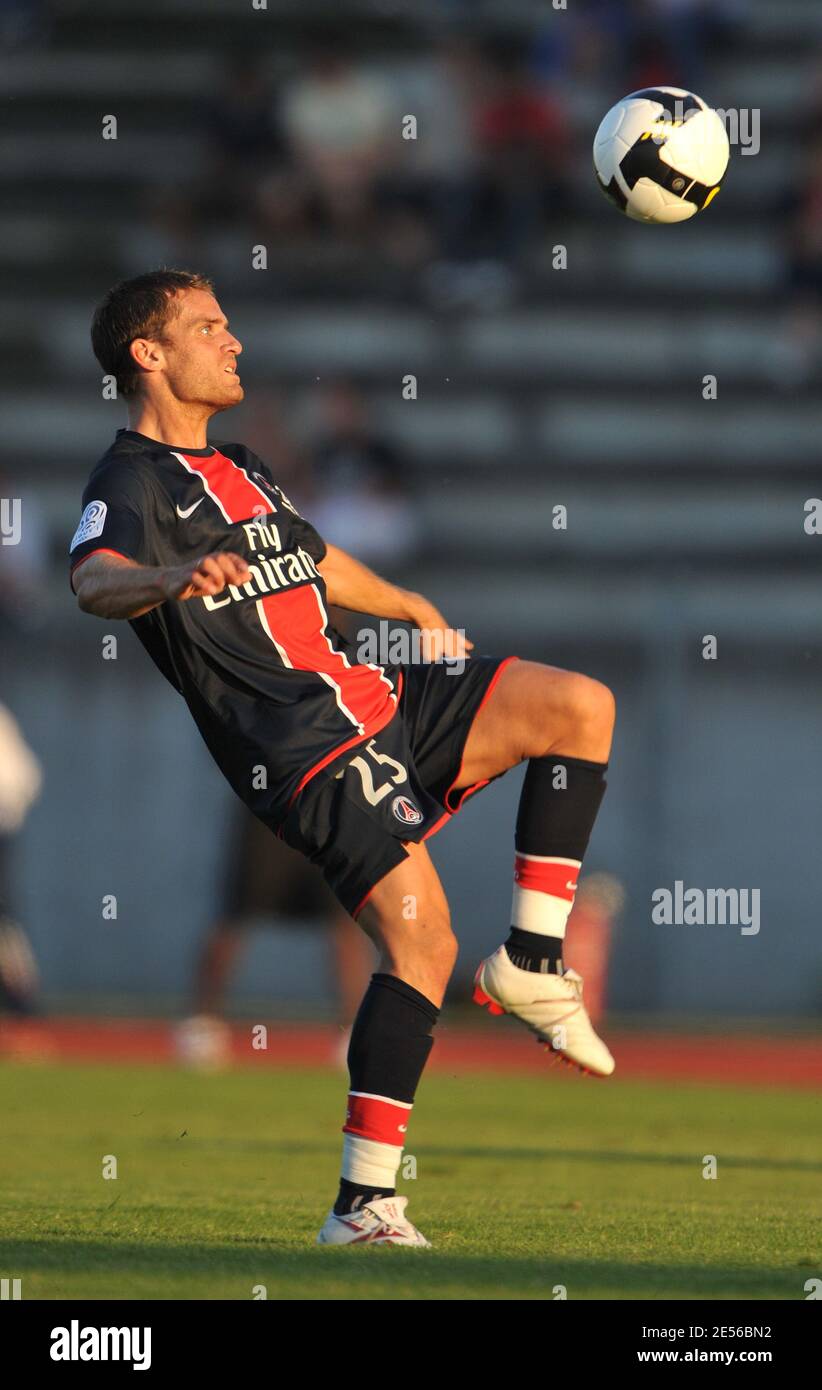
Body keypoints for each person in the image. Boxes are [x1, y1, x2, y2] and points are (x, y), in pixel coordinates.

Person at [70, 269, 616, 1248]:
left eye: (228, 324)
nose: (231, 341)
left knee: (580, 706)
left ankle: (534, 962)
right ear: (148, 355)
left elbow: (313, 557)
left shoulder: (243, 462)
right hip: (302, 744)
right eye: (207, 327)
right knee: (423, 945)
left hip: (380, 690)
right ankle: (364, 1205)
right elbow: (92, 580)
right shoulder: (131, 481)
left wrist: (403, 604)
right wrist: (170, 575)